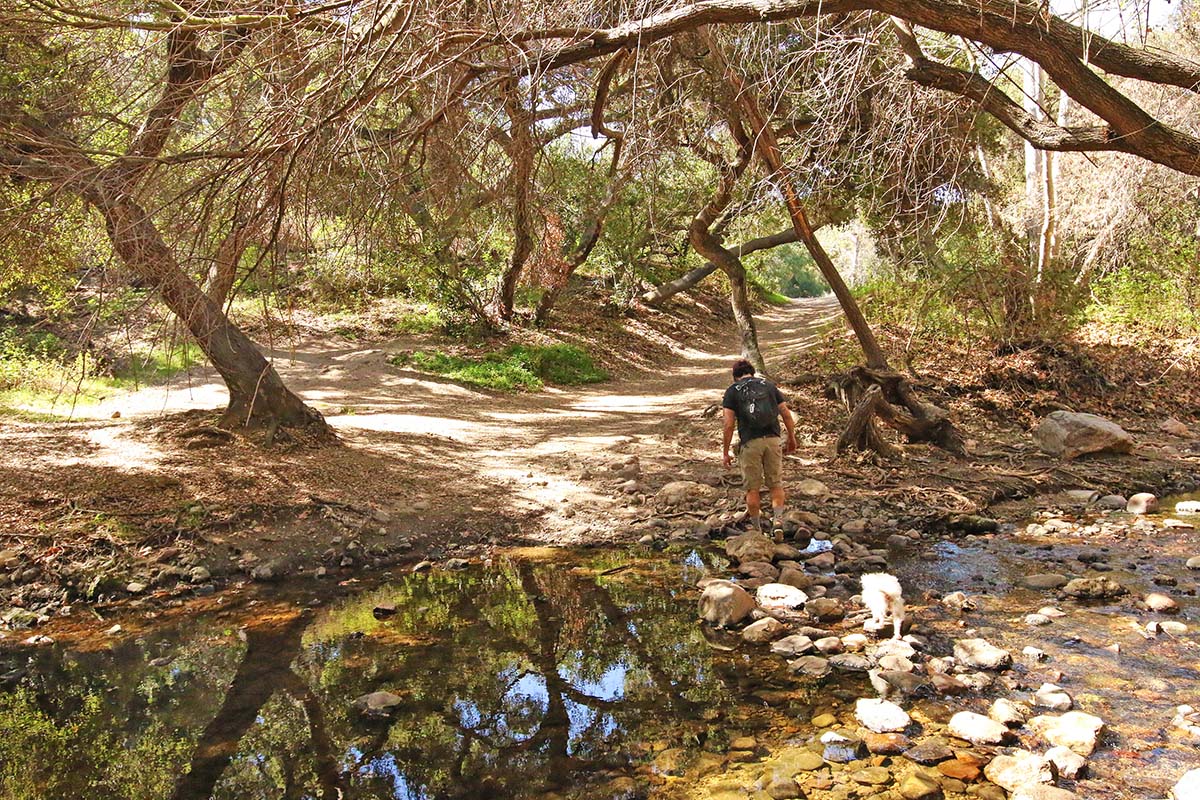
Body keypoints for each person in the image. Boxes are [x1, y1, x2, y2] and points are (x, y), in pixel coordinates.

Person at [721, 358, 798, 542]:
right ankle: (777, 522)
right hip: (773, 440)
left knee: (752, 488)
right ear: (752, 373)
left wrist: (725, 451)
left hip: (750, 443)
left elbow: (728, 424)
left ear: (735, 376)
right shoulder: (769, 386)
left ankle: (757, 531)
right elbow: (785, 413)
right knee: (776, 484)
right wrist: (792, 437)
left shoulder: (732, 391)